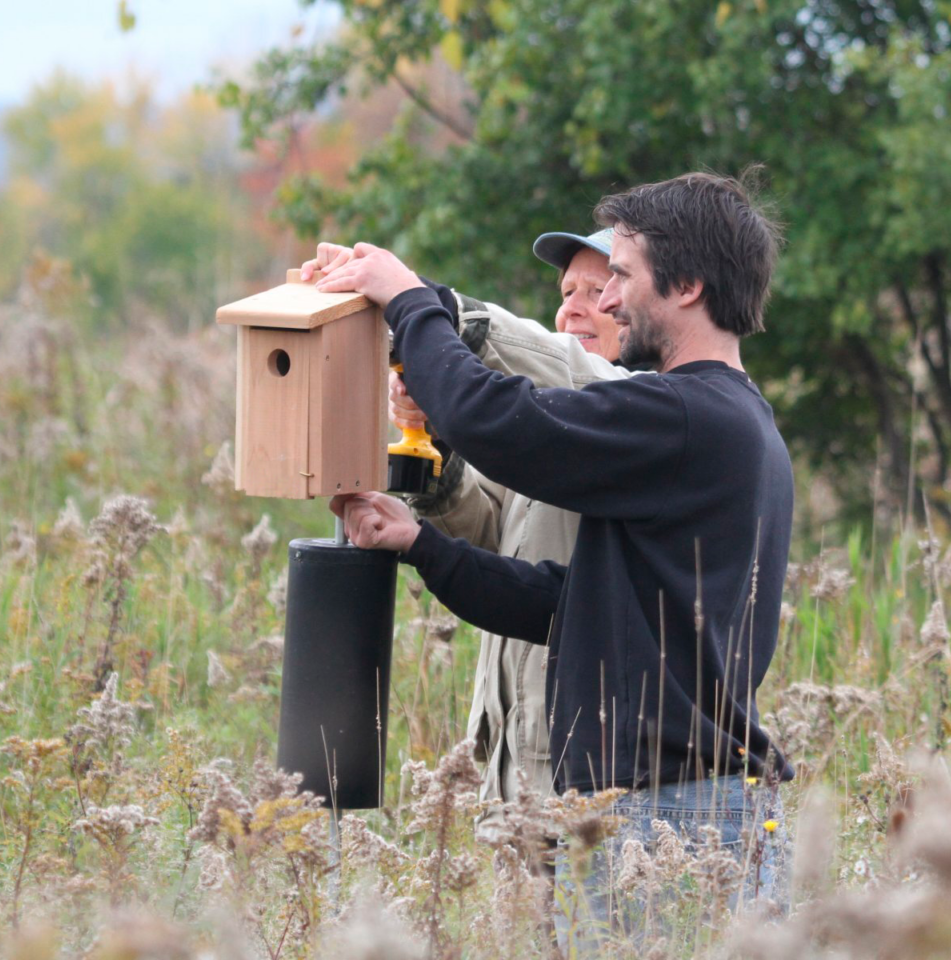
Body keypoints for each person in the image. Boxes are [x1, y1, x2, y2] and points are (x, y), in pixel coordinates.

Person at [320, 171, 794, 942]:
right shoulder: (720, 421)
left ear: (689, 286)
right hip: (668, 809)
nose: (606, 301)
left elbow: (499, 422)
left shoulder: (682, 416)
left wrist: (410, 301)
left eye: (624, 279)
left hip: (661, 819)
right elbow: (564, 605)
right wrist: (420, 545)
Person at [305, 230, 629, 838]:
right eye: (566, 292)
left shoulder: (642, 415)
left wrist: (422, 304)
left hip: (587, 781)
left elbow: (567, 370)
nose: (574, 308)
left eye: (599, 289)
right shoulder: (550, 424)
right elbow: (490, 539)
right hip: (515, 772)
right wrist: (435, 450)